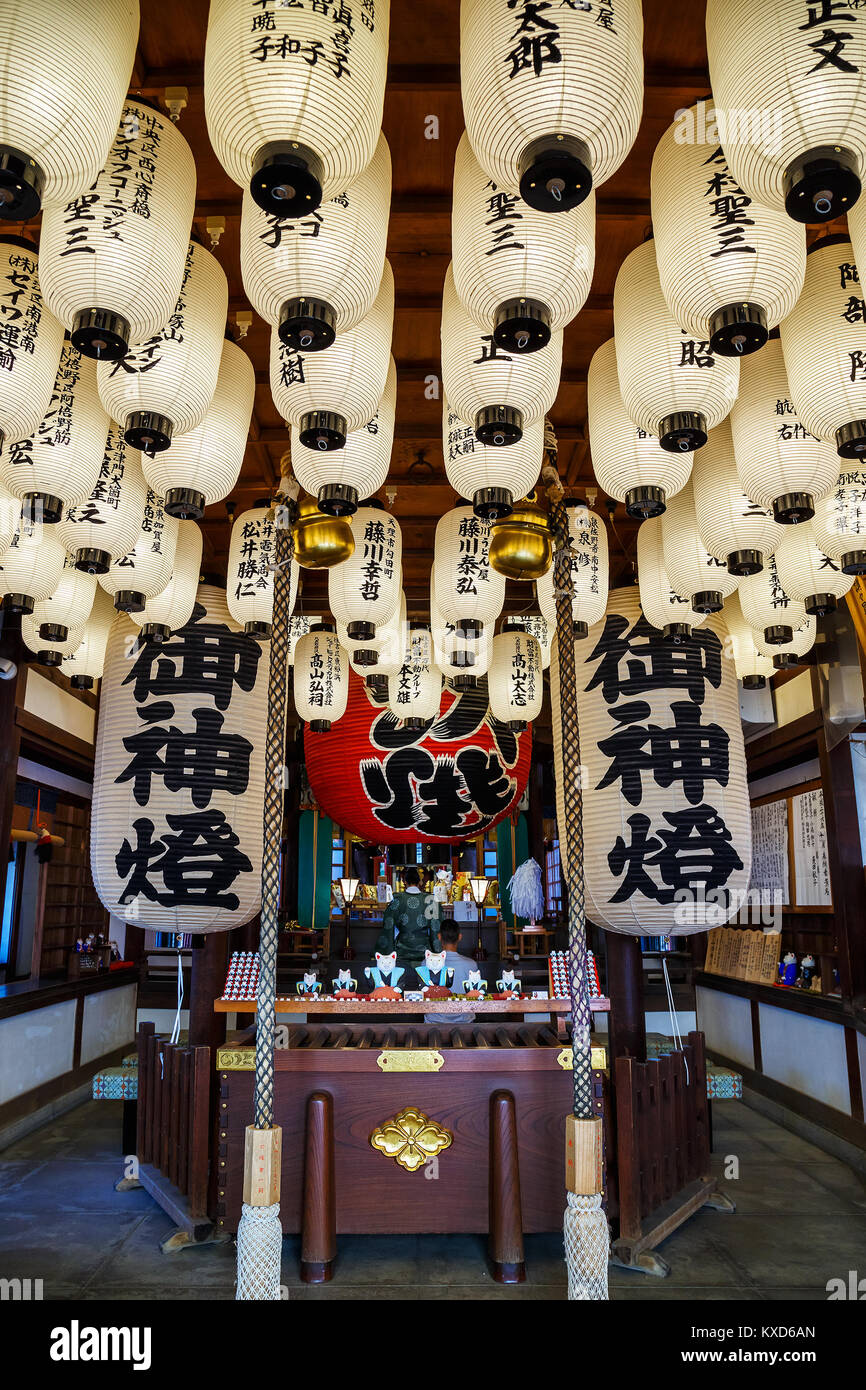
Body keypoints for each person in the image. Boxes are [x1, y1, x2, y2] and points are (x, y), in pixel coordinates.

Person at [375, 866, 437, 967]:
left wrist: (386, 951)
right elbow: (436, 928)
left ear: (405, 882)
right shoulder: (430, 900)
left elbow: (388, 925)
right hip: (425, 953)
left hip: (402, 950)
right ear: (419, 881)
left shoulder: (397, 900)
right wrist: (437, 950)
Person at [424, 921, 476, 1024]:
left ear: (439, 936)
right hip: (464, 1021)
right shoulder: (471, 964)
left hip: (434, 1020)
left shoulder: (425, 963)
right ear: (460, 937)